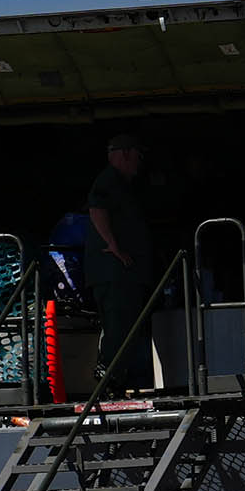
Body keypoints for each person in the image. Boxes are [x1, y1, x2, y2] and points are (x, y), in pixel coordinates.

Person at [83, 130, 157, 377]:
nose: (139, 163)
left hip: (122, 272)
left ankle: (115, 373)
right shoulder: (109, 180)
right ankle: (108, 372)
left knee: (125, 325)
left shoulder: (120, 183)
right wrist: (113, 245)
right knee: (119, 325)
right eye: (137, 156)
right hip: (114, 272)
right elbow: (97, 209)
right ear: (125, 154)